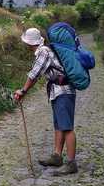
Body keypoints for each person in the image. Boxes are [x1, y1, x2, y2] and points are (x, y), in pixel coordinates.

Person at [14, 27, 78, 175]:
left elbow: (34, 74)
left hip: (63, 91)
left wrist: (23, 91)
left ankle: (71, 163)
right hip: (57, 91)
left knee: (66, 127)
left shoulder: (43, 51)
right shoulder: (45, 50)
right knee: (59, 125)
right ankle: (56, 156)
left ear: (30, 43)